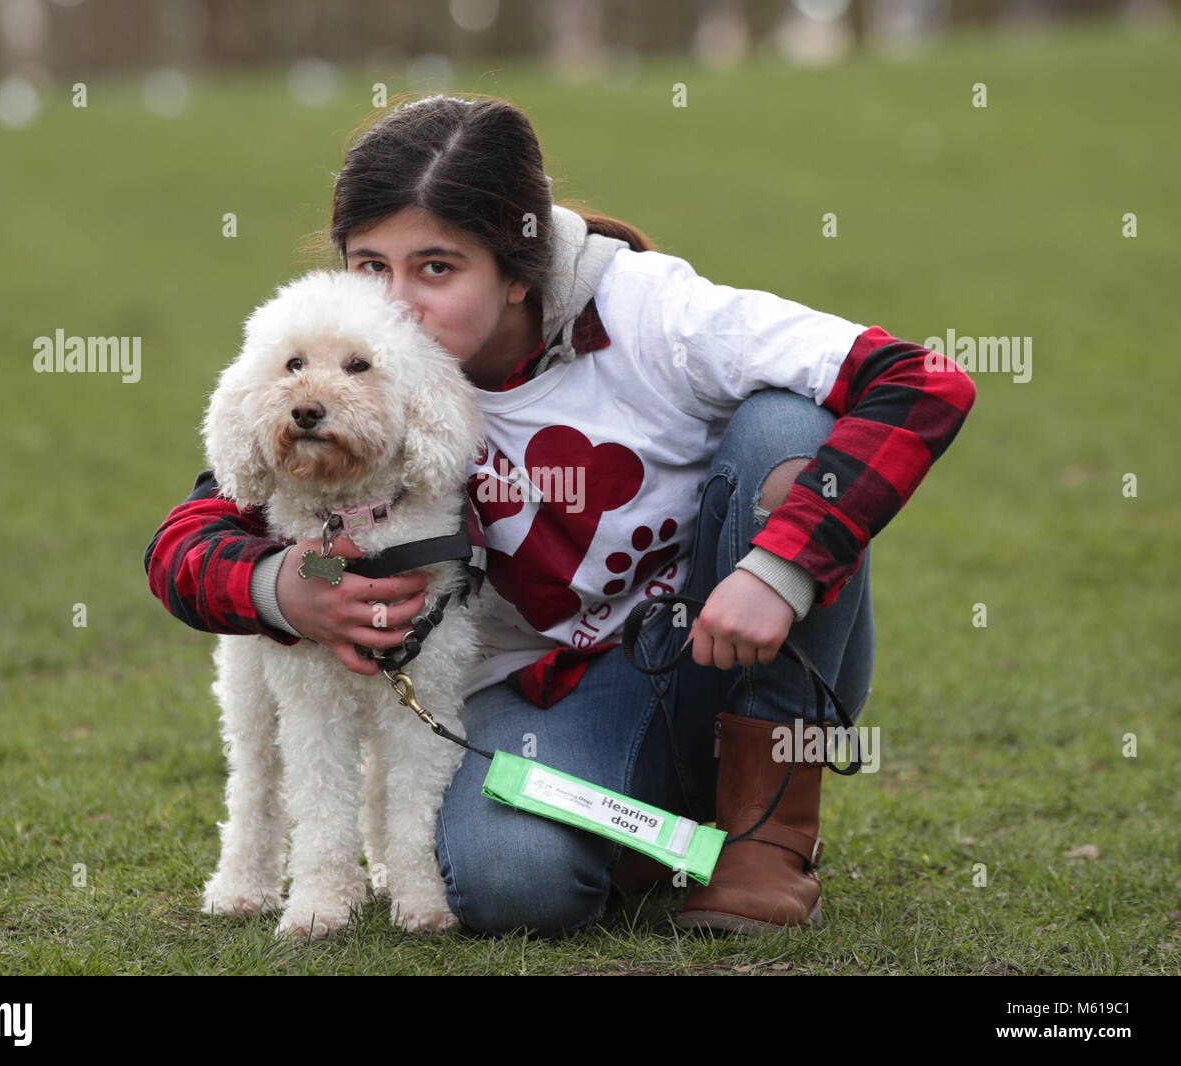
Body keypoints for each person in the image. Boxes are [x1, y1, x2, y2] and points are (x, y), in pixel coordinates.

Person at [146, 92, 976, 936]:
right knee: (508, 882)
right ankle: (650, 830)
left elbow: (923, 381)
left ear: (517, 269)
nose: (395, 306)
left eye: (437, 268)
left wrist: (780, 567)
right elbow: (189, 537)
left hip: (725, 651)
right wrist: (280, 587)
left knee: (788, 429)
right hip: (552, 697)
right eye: (371, 267)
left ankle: (767, 842)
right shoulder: (356, 374)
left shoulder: (657, 314)